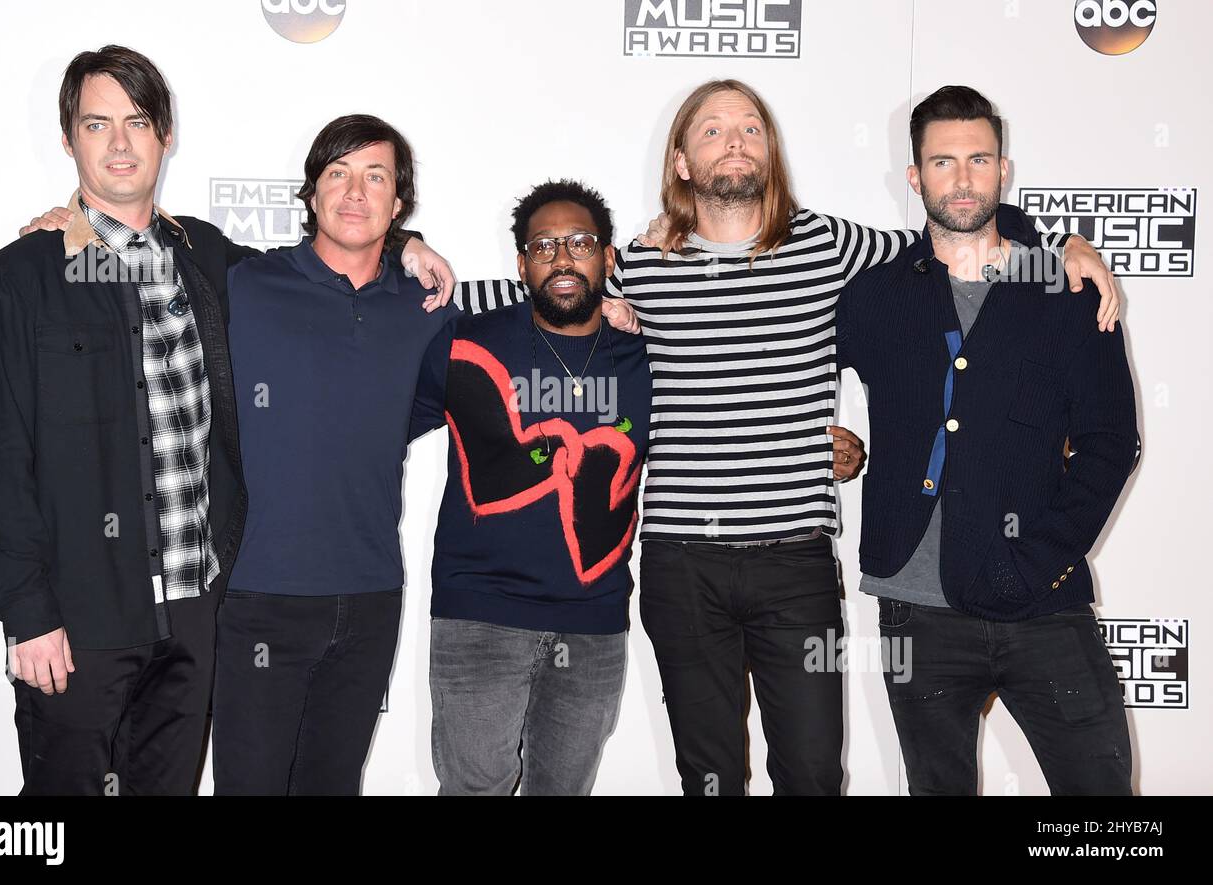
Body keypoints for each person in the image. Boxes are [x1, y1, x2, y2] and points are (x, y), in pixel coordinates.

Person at [465, 78, 1118, 796]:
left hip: (798, 563)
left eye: (749, 127)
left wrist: (1060, 242)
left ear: (769, 151)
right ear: (681, 161)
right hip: (683, 565)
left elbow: (957, 232)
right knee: (710, 777)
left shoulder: (830, 247)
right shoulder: (643, 267)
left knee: (812, 774)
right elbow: (538, 288)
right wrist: (404, 259)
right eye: (711, 130)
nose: (734, 140)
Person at [837, 85, 1138, 795]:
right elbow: (776, 355)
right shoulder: (876, 296)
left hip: (1045, 600)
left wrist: (1039, 562)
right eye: (942, 162)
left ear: (1004, 170)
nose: (963, 178)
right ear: (914, 178)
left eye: (979, 159)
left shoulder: (1066, 291)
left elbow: (1110, 442)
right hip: (916, 607)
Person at [0, 45, 247, 795]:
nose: (120, 143)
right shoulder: (17, 281)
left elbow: (318, 268)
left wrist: (405, 245)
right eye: (98, 124)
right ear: (68, 139)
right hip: (77, 620)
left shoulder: (205, 261)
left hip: (193, 610)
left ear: (166, 135)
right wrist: (27, 612)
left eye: (138, 122)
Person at [211, 115, 459, 795]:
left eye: (375, 177)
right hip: (260, 594)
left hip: (370, 595)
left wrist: (612, 311)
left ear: (399, 201)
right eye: (338, 175)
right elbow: (148, 242)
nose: (356, 192)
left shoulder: (427, 304)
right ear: (312, 194)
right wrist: (70, 224)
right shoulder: (244, 282)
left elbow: (522, 328)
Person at [411, 180, 650, 795]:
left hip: (594, 619)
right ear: (520, 263)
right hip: (480, 615)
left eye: (580, 243)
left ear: (609, 258)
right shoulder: (467, 341)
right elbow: (378, 423)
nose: (563, 257)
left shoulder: (648, 358)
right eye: (544, 246)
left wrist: (822, 441)